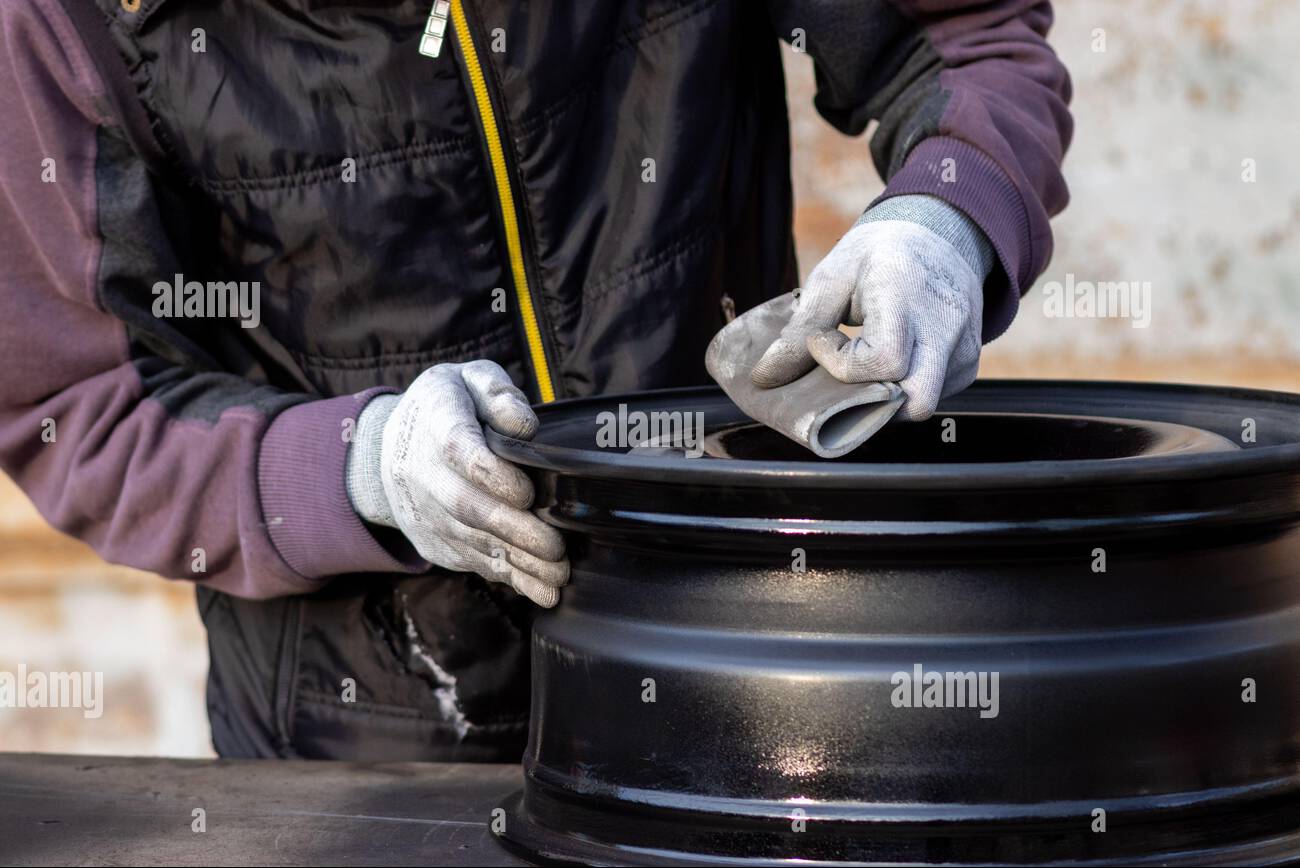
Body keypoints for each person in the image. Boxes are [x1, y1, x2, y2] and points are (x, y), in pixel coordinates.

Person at [0, 0, 1071, 760]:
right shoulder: (64, 18)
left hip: (746, 669)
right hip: (365, 758)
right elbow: (80, 407)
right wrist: (358, 470)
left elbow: (957, 38)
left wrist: (945, 215)